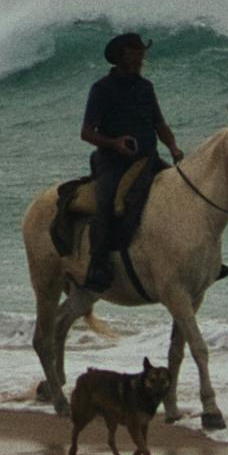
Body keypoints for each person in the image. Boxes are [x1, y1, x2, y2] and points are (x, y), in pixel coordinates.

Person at [76, 29, 178, 293]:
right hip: (112, 162)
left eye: (141, 54)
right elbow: (86, 132)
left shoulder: (146, 87)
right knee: (107, 203)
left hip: (148, 159)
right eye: (135, 54)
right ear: (120, 57)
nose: (140, 59)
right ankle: (98, 265)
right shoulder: (102, 89)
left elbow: (160, 125)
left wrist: (174, 148)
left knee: (182, 193)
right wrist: (115, 143)